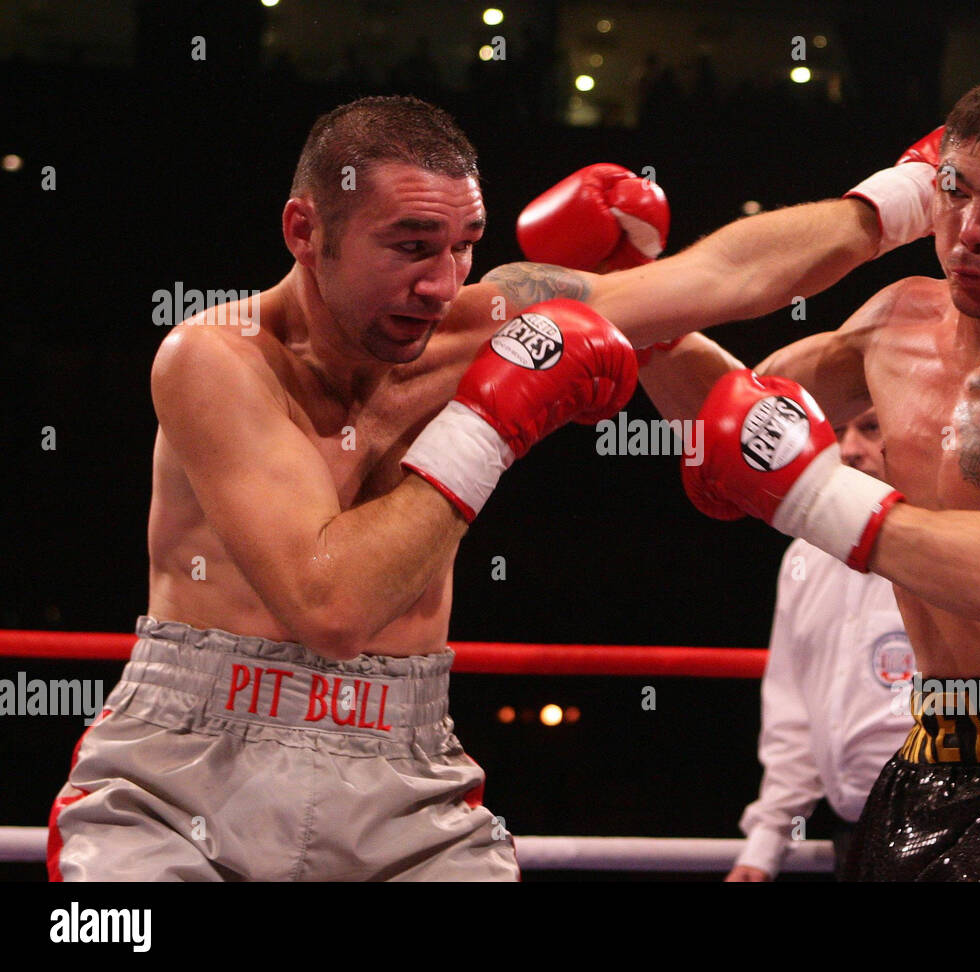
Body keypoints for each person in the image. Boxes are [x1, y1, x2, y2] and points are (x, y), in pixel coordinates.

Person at [47, 94, 924, 881]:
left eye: (465, 247)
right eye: (411, 248)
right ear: (304, 231)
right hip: (184, 780)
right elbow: (332, 607)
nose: (441, 286)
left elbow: (724, 278)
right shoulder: (215, 359)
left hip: (402, 777)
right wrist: (491, 422)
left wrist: (913, 193)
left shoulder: (489, 318)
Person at [508, 68, 980, 881]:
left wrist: (815, 495)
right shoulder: (900, 320)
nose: (970, 231)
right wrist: (631, 300)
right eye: (955, 193)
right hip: (925, 755)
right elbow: (733, 416)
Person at [724, 409, 915, 882]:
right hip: (854, 834)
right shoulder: (804, 557)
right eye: (837, 433)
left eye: (871, 426)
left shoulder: (961, 543)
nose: (848, 449)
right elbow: (794, 709)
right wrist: (766, 842)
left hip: (957, 822)